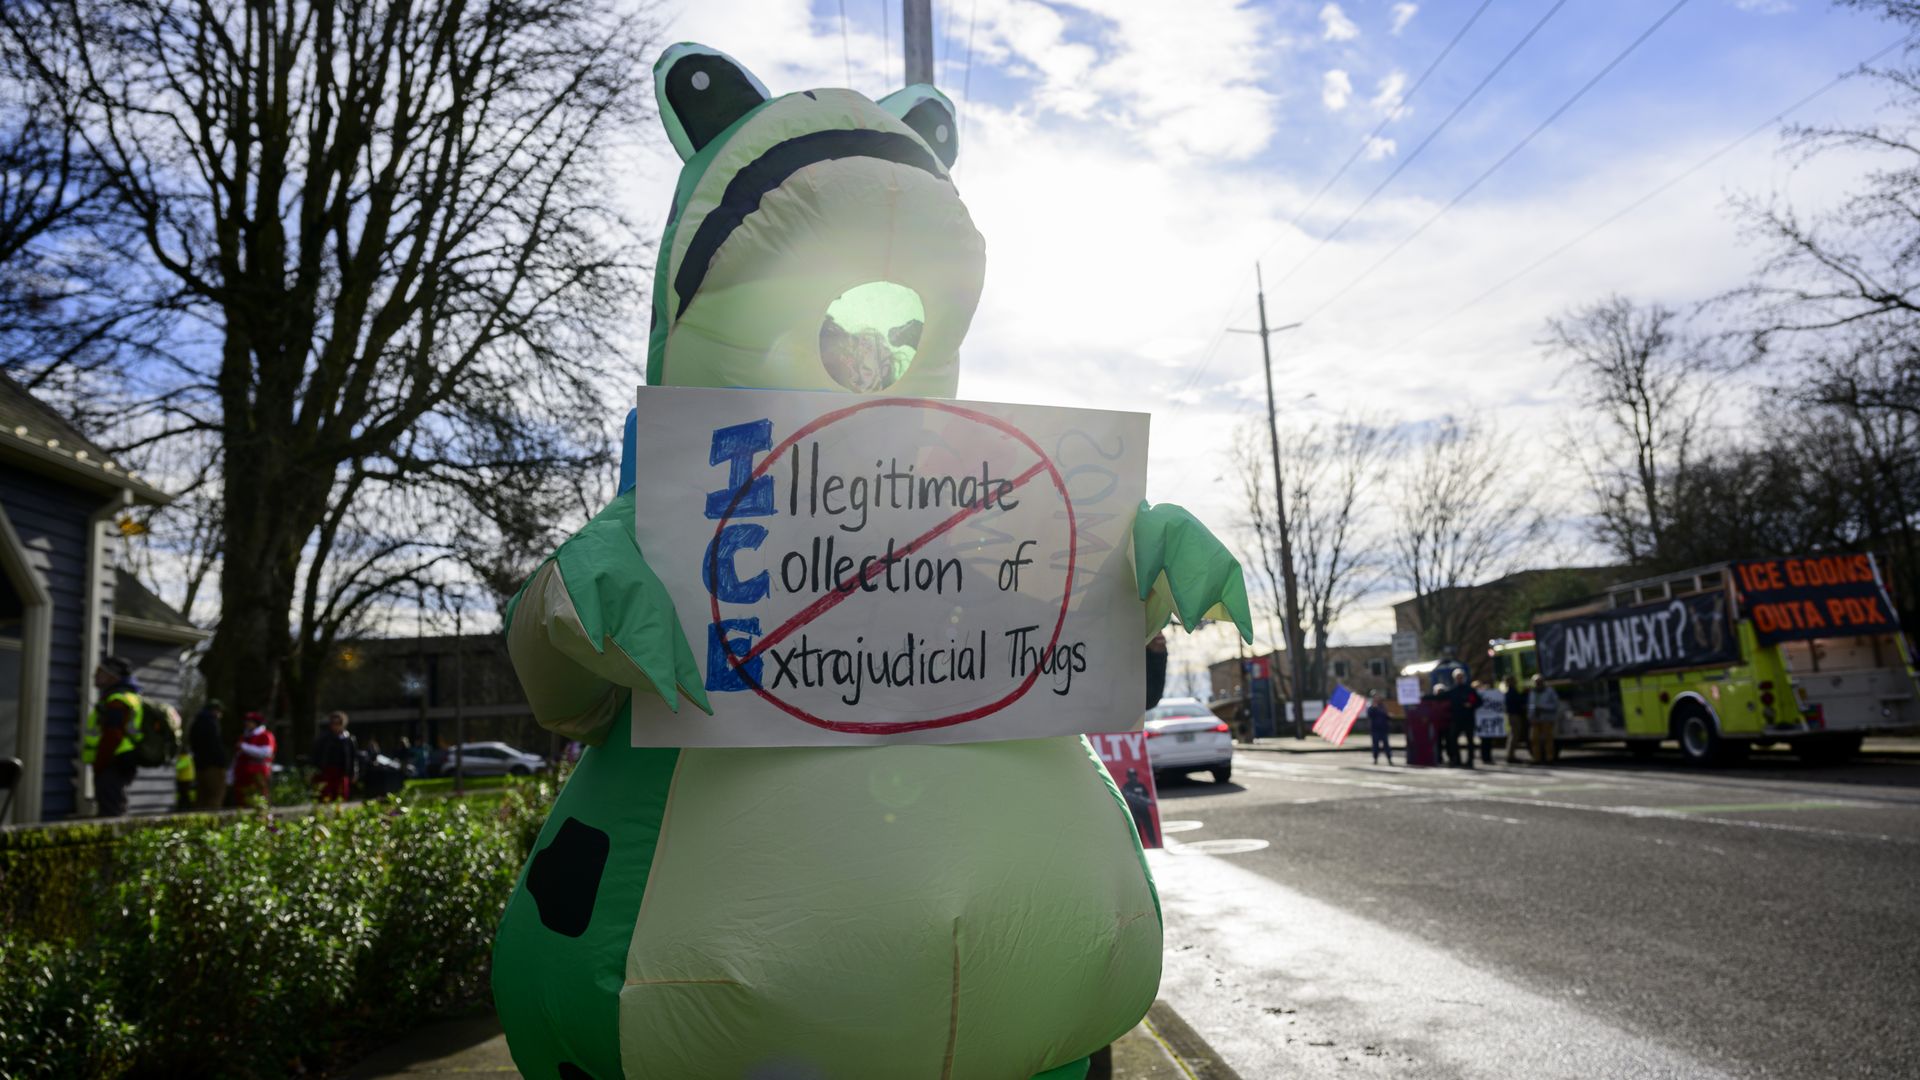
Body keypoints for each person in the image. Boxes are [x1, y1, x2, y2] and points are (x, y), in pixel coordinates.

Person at [82, 657, 143, 817]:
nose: (95, 676)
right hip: (120, 760)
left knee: (111, 811)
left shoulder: (117, 701)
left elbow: (113, 736)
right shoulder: (125, 697)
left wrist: (100, 764)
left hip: (113, 761)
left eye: (99, 672)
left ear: (112, 676)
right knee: (114, 805)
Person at [189, 700, 230, 809]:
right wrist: (222, 762)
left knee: (202, 797)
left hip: (200, 765)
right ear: (215, 711)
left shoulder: (196, 723)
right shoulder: (211, 723)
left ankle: (199, 822)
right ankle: (212, 823)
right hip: (213, 765)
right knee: (215, 795)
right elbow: (215, 745)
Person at [311, 710, 359, 802]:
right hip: (327, 772)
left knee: (341, 796)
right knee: (326, 796)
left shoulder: (348, 739)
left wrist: (354, 773)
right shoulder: (324, 738)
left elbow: (353, 757)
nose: (336, 725)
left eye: (338, 723)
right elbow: (316, 755)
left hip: (342, 772)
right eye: (333, 723)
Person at [232, 711, 276, 806]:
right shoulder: (244, 736)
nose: (247, 723)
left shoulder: (265, 735)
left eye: (250, 721)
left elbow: (266, 752)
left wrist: (245, 747)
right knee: (242, 798)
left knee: (260, 796)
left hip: (258, 771)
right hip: (242, 772)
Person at [1445, 675, 1479, 768]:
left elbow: (1479, 701)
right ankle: (1457, 759)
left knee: (1470, 741)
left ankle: (1470, 761)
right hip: (1456, 719)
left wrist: (1471, 704)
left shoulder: (1469, 690)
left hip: (1468, 719)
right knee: (1453, 739)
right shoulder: (1453, 690)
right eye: (1457, 678)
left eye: (1461, 677)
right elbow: (1440, 697)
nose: (1459, 679)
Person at [1528, 675, 1561, 765]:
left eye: (1539, 681)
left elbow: (1555, 705)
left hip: (1546, 718)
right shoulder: (1533, 692)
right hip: (1535, 719)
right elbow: (1530, 706)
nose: (1538, 684)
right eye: (1536, 682)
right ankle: (1536, 758)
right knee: (1534, 740)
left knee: (1548, 739)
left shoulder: (1549, 691)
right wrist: (1530, 717)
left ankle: (1549, 758)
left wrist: (1543, 707)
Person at [1501, 677, 1530, 764]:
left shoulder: (1509, 691)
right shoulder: (1511, 692)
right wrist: (1525, 694)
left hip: (1513, 715)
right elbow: (1518, 701)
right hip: (1514, 715)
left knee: (1513, 735)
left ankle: (1510, 755)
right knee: (1514, 735)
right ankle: (1510, 756)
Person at [1366, 693, 1394, 765]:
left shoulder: (1383, 706)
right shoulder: (1371, 707)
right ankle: (1375, 759)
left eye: (1378, 697)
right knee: (1375, 745)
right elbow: (1370, 715)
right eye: (1376, 698)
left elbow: (1385, 716)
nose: (1377, 699)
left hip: (1383, 729)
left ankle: (1389, 759)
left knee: (1386, 745)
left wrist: (1389, 716)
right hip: (1375, 729)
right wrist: (1374, 707)